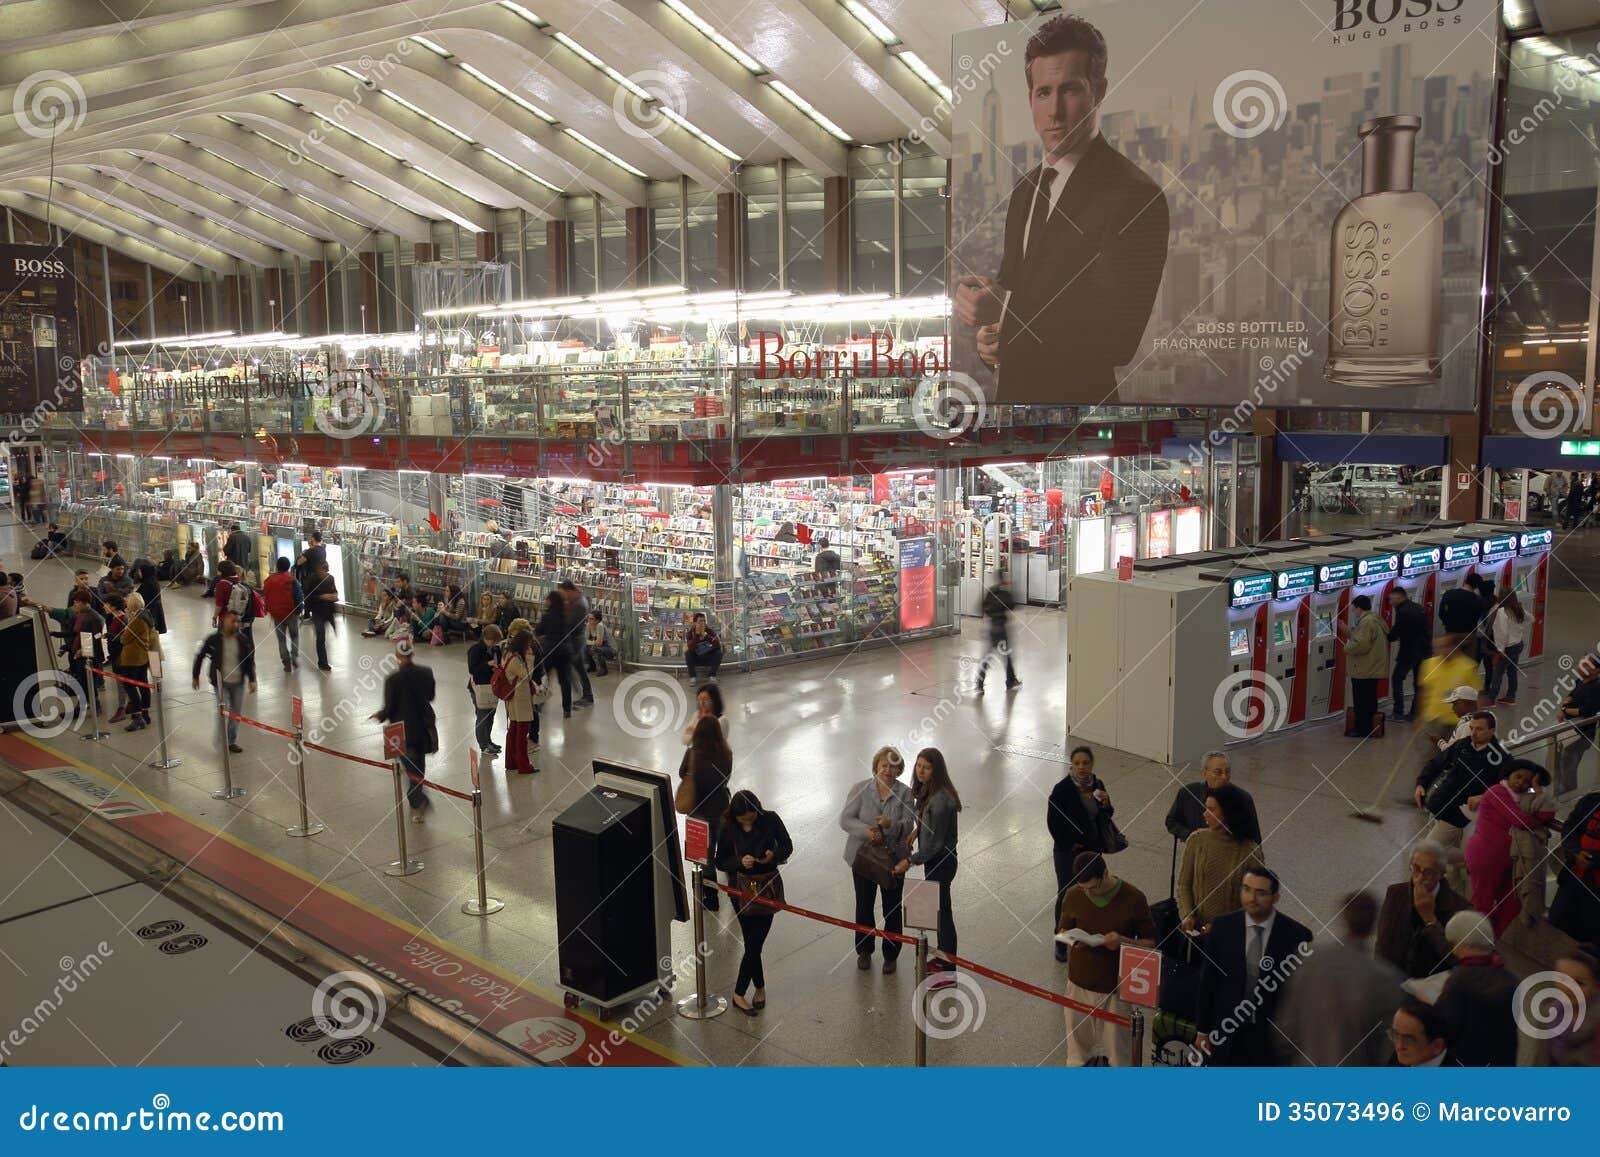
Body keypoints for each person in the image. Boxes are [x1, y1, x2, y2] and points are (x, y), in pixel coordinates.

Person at [951, 12, 1169, 403]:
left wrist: (1006, 312)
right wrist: (991, 340)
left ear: (1098, 91)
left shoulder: (1136, 195)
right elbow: (1016, 291)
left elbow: (1118, 338)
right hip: (1014, 416)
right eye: (1043, 93)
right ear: (1030, 99)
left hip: (1084, 419)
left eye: (1069, 90)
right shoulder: (1025, 189)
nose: (1054, 111)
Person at [1193, 867, 1312, 1066]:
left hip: (1269, 1040)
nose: (1252, 898)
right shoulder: (1222, 928)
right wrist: (1202, 1031)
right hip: (1225, 1033)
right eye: (1247, 889)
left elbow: (1298, 995)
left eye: (1261, 892)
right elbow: (1208, 981)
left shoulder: (1295, 936)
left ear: (1276, 898)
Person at [1276, 891, 1404, 1067]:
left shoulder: (1309, 962)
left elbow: (1286, 1030)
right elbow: (1388, 1047)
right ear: (1374, 922)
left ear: (1344, 916)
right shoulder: (1386, 977)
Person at [1055, 851, 1154, 1066]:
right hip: (1079, 984)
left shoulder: (1134, 898)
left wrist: (1123, 941)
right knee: (1077, 1054)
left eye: (1094, 888)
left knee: (1120, 1055)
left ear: (1106, 873)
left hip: (1115, 989)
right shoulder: (1073, 895)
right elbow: (1063, 929)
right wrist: (1071, 940)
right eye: (1084, 889)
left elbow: (1151, 943)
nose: (1089, 893)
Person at [839, 746, 915, 974]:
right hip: (863, 858)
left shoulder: (905, 794)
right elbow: (845, 820)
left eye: (894, 766)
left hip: (894, 860)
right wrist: (868, 832)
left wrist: (891, 825)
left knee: (892, 908)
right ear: (876, 767)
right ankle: (864, 950)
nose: (888, 770)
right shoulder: (860, 789)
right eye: (884, 765)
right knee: (864, 904)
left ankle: (891, 955)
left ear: (900, 770)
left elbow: (909, 824)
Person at [715, 789, 792, 1016]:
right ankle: (759, 988)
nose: (748, 822)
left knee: (755, 941)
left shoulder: (770, 819)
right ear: (736, 817)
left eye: (751, 817)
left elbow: (787, 845)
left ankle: (739, 992)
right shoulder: (727, 827)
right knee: (752, 942)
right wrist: (740, 861)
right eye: (743, 820)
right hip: (739, 891)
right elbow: (720, 861)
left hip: (767, 888)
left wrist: (773, 855)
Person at [1415, 711, 1506, 892]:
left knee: (1436, 854)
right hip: (1448, 812)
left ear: (1492, 731)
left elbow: (1507, 788)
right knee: (1438, 858)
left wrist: (1484, 797)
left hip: (1472, 820)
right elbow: (1436, 763)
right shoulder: (1462, 746)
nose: (1473, 733)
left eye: (1479, 729)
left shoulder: (1501, 758)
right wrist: (1421, 783)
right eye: (1472, 728)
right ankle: (1455, 897)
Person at [1464, 758, 1556, 936]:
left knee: (1513, 904)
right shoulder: (1497, 791)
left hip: (1509, 861)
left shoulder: (1525, 800)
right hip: (1485, 856)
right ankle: (1479, 943)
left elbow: (1547, 812)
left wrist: (1538, 790)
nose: (1521, 783)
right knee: (1483, 902)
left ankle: (1495, 939)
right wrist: (1536, 823)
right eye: (1518, 777)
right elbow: (1521, 821)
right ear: (1509, 774)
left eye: (1527, 781)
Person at [1047, 745, 1113, 961]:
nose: (1081, 767)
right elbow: (1053, 824)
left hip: (1092, 849)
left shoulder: (1098, 784)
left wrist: (1106, 804)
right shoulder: (1062, 789)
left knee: (1093, 890)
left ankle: (1085, 936)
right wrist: (1071, 843)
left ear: (1092, 764)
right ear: (1071, 766)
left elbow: (1105, 815)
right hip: (1068, 851)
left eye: (1085, 763)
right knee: (1067, 893)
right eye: (1077, 763)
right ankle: (1061, 940)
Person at [1432, 911, 1518, 1066]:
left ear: (1465, 943)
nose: (1453, 950)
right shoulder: (1510, 979)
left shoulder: (1459, 980)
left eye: (1453, 944)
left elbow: (1443, 1026)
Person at [1176, 783, 1264, 935]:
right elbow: (1184, 884)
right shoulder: (1196, 840)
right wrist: (1187, 915)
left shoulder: (1250, 852)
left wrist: (1223, 927)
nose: (1204, 814)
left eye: (1211, 809)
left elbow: (1256, 901)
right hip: (1196, 934)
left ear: (1228, 812)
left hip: (1232, 936)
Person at [1375, 843, 1471, 979]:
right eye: (1415, 869)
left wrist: (1430, 919)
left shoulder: (1460, 908)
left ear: (1442, 874)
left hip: (1433, 988)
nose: (1419, 878)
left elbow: (1458, 960)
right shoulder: (1395, 894)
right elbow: (1383, 944)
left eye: (1428, 872)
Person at [906, 747, 961, 984]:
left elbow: (935, 845)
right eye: (918, 766)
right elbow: (929, 824)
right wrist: (916, 831)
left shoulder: (940, 800)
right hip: (935, 862)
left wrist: (909, 860)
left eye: (926, 767)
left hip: (941, 862)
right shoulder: (930, 791)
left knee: (943, 916)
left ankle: (948, 969)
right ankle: (942, 959)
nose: (921, 771)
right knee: (939, 914)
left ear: (936, 770)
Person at [371, 639, 438, 822]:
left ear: (397, 656)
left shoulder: (392, 679)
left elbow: (390, 707)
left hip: (400, 731)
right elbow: (431, 696)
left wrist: (380, 715)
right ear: (412, 654)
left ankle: (418, 800)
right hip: (422, 727)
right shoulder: (426, 672)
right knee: (418, 767)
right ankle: (417, 801)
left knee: (410, 769)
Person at [682, 715, 733, 909]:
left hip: (698, 811)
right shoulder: (727, 753)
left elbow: (681, 772)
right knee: (722, 849)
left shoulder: (693, 753)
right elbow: (725, 777)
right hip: (720, 807)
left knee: (703, 857)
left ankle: (710, 899)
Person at [191, 608, 257, 754]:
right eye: (233, 621)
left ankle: (232, 741)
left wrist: (252, 680)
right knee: (224, 711)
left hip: (238, 683)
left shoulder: (242, 640)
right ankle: (221, 741)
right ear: (224, 621)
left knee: (236, 714)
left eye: (238, 622)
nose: (236, 625)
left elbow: (249, 661)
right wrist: (195, 676)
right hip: (221, 684)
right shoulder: (213, 640)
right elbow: (200, 656)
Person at [1164, 751, 1262, 844]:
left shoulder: (1243, 798)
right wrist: (1189, 836)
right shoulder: (1187, 793)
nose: (1224, 777)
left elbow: (1255, 839)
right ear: (1204, 773)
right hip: (1198, 851)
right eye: (1218, 772)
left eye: (1227, 772)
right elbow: (1172, 821)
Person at [1550, 789, 1600, 945]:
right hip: (1575, 875)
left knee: (1591, 932)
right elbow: (1570, 828)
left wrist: (1594, 859)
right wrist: (1576, 853)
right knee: (1559, 918)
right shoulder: (1591, 801)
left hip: (1596, 884)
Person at [1416, 633, 1482, 746]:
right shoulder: (1429, 664)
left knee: (1454, 754)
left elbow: (1476, 697)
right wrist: (1419, 717)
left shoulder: (1468, 667)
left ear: (1455, 647)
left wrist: (1478, 721)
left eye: (1445, 647)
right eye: (1439, 647)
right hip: (1433, 719)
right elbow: (1423, 692)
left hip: (1457, 722)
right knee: (1428, 756)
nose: (1442, 650)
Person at [1343, 594, 1388, 737]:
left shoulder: (1367, 622)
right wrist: (1347, 631)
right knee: (1369, 699)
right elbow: (1362, 638)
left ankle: (1363, 729)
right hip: (1371, 667)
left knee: (1362, 701)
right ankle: (1369, 727)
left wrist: (1346, 648)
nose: (1353, 613)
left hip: (1364, 669)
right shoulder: (1374, 619)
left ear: (1359, 608)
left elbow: (1361, 645)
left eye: (1353, 609)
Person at [1546, 950, 1600, 1066]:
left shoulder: (1595, 1029)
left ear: (1597, 987)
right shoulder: (1553, 1011)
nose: (1567, 988)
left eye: (1579, 983)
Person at [1385, 586, 1431, 722]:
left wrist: (1388, 636)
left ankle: (1398, 711)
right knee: (1418, 683)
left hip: (1409, 652)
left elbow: (1397, 631)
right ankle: (1415, 712)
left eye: (1392, 599)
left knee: (1397, 679)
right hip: (1424, 651)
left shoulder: (1403, 611)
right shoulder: (1418, 607)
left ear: (1399, 597)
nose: (1391, 602)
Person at [115, 592, 157, 732]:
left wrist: (128, 620)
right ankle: (145, 713)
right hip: (142, 657)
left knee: (130, 686)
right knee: (143, 684)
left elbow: (124, 639)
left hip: (132, 658)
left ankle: (137, 716)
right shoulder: (146, 615)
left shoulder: (137, 619)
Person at [501, 630, 539, 775]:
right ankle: (524, 766)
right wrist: (530, 657)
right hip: (519, 699)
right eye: (529, 643)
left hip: (514, 698)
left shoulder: (508, 654)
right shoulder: (516, 659)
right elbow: (527, 676)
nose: (530, 646)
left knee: (514, 731)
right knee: (521, 734)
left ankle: (511, 762)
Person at [536, 590, 575, 719]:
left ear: (551, 601)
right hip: (565, 651)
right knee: (565, 681)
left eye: (547, 600)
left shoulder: (547, 616)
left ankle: (540, 703)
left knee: (544, 677)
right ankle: (567, 709)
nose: (546, 602)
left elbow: (539, 631)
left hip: (550, 650)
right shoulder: (567, 615)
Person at [975, 580, 1020, 692]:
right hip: (1001, 629)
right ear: (1004, 581)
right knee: (1007, 657)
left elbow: (982, 606)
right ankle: (1010, 682)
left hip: (992, 628)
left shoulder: (990, 593)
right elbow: (1012, 605)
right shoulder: (1005, 594)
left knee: (987, 657)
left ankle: (979, 683)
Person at [467, 625, 503, 756]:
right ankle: (483, 745)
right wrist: (487, 665)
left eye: (496, 641)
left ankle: (488, 741)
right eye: (493, 641)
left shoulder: (496, 649)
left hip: (492, 686)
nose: (495, 644)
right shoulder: (475, 650)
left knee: (491, 716)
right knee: (482, 716)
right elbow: (472, 670)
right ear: (486, 638)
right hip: (479, 688)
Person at [262, 557, 302, 672]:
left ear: (277, 566)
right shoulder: (291, 579)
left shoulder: (269, 580)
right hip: (291, 613)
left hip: (277, 614)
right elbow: (298, 596)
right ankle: (294, 656)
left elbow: (266, 595)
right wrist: (299, 610)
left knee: (281, 639)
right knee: (294, 636)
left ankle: (286, 662)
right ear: (288, 566)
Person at [1487, 590, 1527, 704]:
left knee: (1497, 673)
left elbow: (1502, 633)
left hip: (1508, 647)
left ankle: (1491, 699)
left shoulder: (1501, 612)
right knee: (1512, 671)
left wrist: (1500, 650)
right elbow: (1531, 618)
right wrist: (1519, 631)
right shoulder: (1518, 608)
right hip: (1518, 644)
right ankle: (1511, 696)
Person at [1389, 1000, 1453, 1067]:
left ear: (1437, 1046)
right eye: (1396, 1035)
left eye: (1408, 1040)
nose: (1398, 1047)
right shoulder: (1399, 1058)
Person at [559, 581, 593, 706]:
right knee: (578, 668)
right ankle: (585, 693)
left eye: (563, 593)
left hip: (575, 641)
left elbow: (570, 624)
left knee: (573, 668)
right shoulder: (576, 601)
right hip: (574, 640)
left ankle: (584, 693)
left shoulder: (578, 604)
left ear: (568, 591)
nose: (563, 596)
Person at [303, 561, 339, 672]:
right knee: (321, 636)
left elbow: (334, 591)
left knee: (322, 636)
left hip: (328, 611)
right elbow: (308, 597)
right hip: (317, 611)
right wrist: (322, 597)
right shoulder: (312, 580)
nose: (324, 572)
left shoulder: (330, 578)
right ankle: (322, 662)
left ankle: (323, 661)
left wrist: (334, 596)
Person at [684, 612, 722, 685]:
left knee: (718, 653)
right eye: (700, 621)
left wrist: (707, 636)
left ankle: (712, 676)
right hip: (697, 658)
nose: (703, 623)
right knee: (688, 653)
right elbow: (690, 647)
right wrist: (697, 636)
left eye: (704, 621)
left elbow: (717, 644)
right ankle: (693, 677)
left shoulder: (709, 631)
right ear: (695, 623)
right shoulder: (690, 633)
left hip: (708, 657)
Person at [132, 559, 166, 636]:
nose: (139, 573)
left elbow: (140, 597)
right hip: (155, 610)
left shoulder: (148, 583)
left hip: (151, 612)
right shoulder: (151, 580)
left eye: (140, 571)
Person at [585, 610, 615, 676]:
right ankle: (592, 666)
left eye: (591, 619)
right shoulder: (588, 625)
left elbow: (599, 643)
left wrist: (590, 642)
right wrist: (593, 642)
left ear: (597, 620)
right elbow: (584, 640)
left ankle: (603, 669)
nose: (589, 620)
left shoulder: (600, 626)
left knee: (595, 649)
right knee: (584, 648)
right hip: (599, 646)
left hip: (609, 648)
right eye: (588, 618)